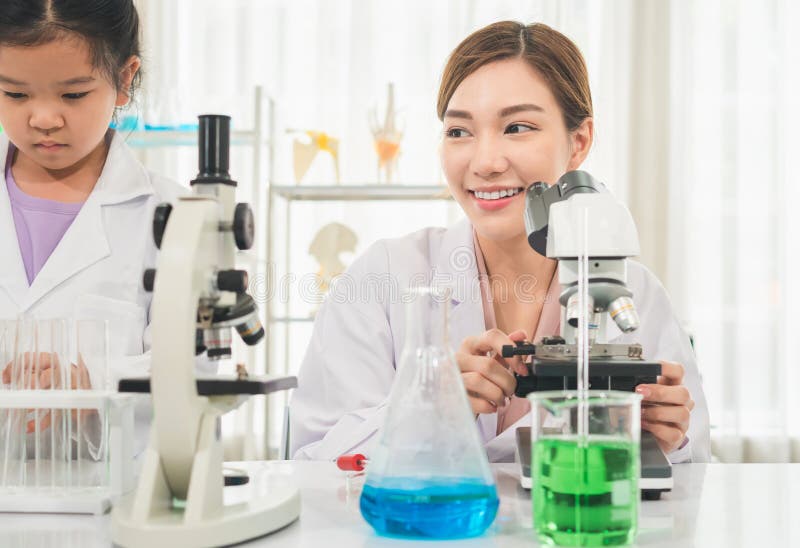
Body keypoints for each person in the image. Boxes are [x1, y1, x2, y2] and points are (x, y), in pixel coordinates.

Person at [290, 21, 710, 464]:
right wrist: (428, 406)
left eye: (517, 127)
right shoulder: (384, 277)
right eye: (459, 132)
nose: (486, 162)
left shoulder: (635, 293)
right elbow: (315, 464)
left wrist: (662, 440)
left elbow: (694, 471)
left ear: (579, 141)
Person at [0, 0, 207, 452]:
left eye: (73, 94)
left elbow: (203, 370)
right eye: (15, 94)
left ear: (124, 79)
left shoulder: (174, 214)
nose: (44, 118)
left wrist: (92, 383)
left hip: (115, 502)